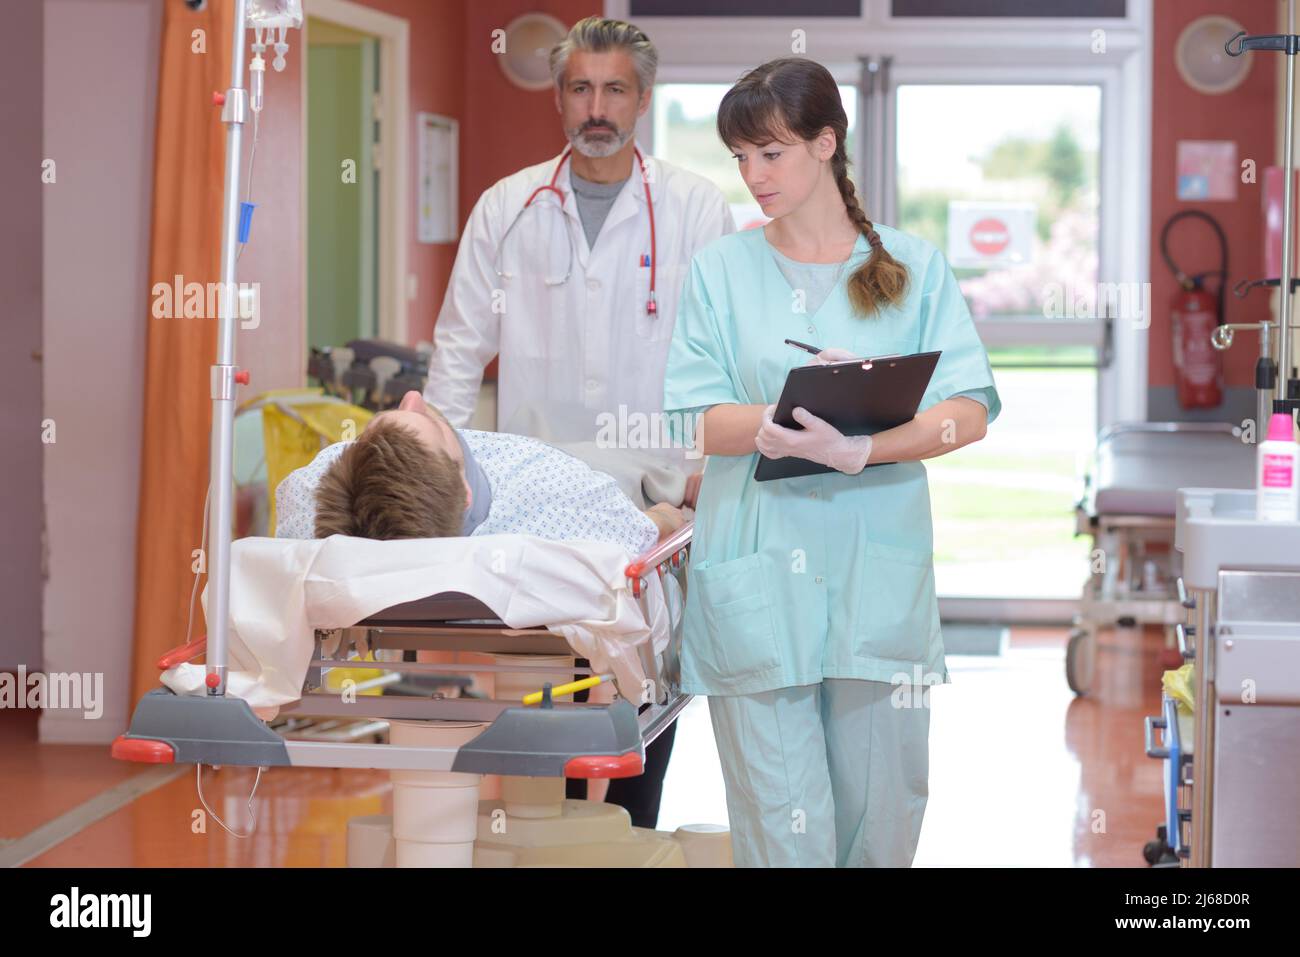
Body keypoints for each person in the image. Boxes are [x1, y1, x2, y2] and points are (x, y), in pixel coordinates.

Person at [661, 57, 1002, 867]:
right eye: (739, 156)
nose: (752, 175)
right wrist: (785, 418)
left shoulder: (911, 269)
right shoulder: (719, 269)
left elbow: (969, 412)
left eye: (769, 153)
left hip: (873, 585)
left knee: (881, 824)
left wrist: (863, 447)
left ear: (826, 143)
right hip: (756, 582)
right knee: (782, 832)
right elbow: (693, 417)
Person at [422, 16, 734, 825]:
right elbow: (459, 349)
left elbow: (722, 353)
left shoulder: (696, 208)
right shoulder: (509, 207)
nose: (597, 107)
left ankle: (630, 830)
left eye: (614, 89)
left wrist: (708, 462)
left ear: (643, 96)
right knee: (550, 673)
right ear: (560, 96)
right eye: (580, 88)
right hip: (540, 480)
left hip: (654, 482)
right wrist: (436, 476)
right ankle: (551, 829)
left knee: (648, 678)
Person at [274, 391, 687, 550]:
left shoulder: (305, 500)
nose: (413, 396)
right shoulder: (555, 490)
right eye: (433, 425)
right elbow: (639, 533)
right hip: (598, 475)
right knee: (653, 492)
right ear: (464, 492)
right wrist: (661, 518)